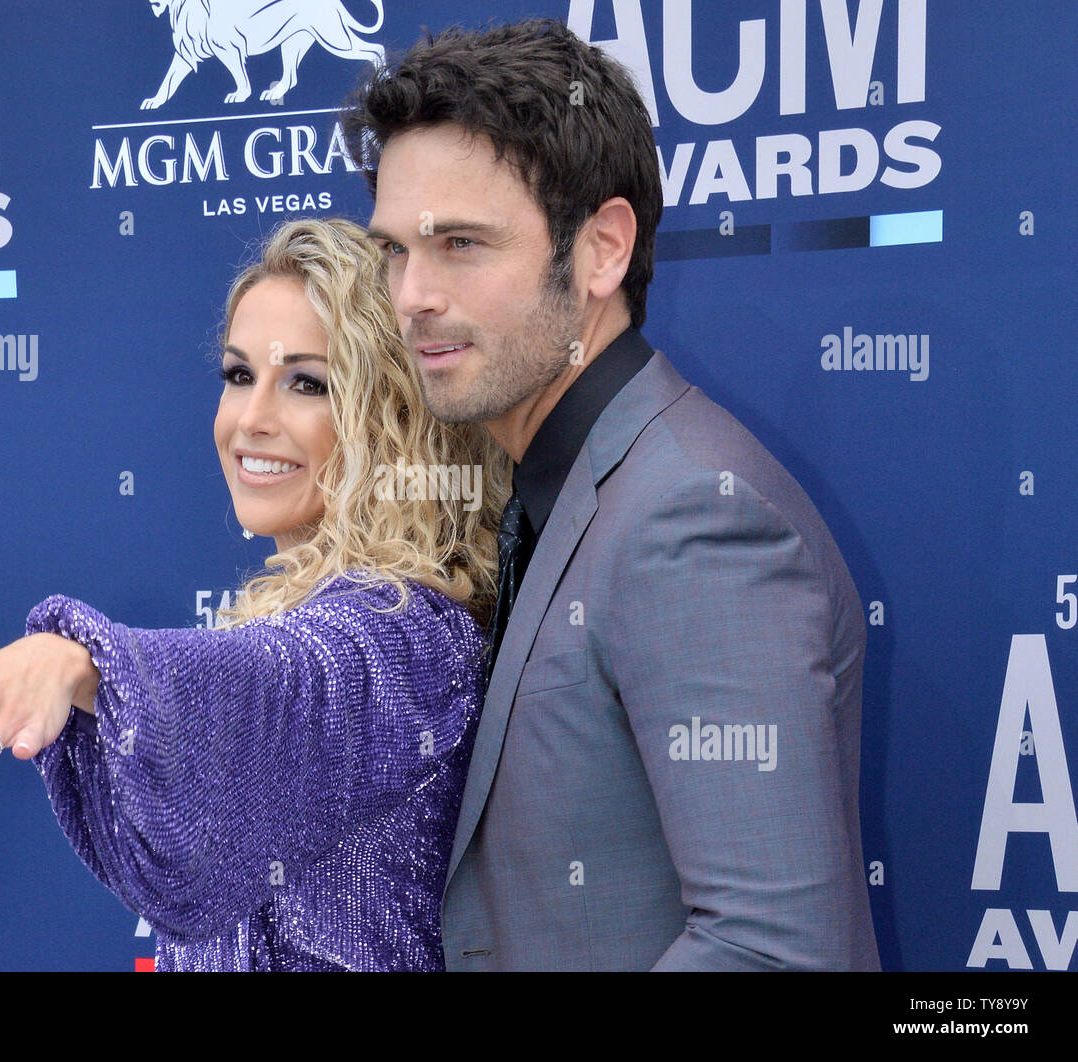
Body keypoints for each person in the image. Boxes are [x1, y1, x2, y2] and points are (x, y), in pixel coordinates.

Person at [342, 19, 882, 969]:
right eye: (395, 251)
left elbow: (774, 954)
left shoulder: (694, 518)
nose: (413, 294)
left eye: (461, 243)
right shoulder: (563, 488)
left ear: (602, 250)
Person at [0, 216, 510, 971]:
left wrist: (77, 662)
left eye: (307, 383)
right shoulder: (305, 617)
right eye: (239, 375)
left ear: (393, 412)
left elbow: (289, 684)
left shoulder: (409, 635)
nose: (250, 420)